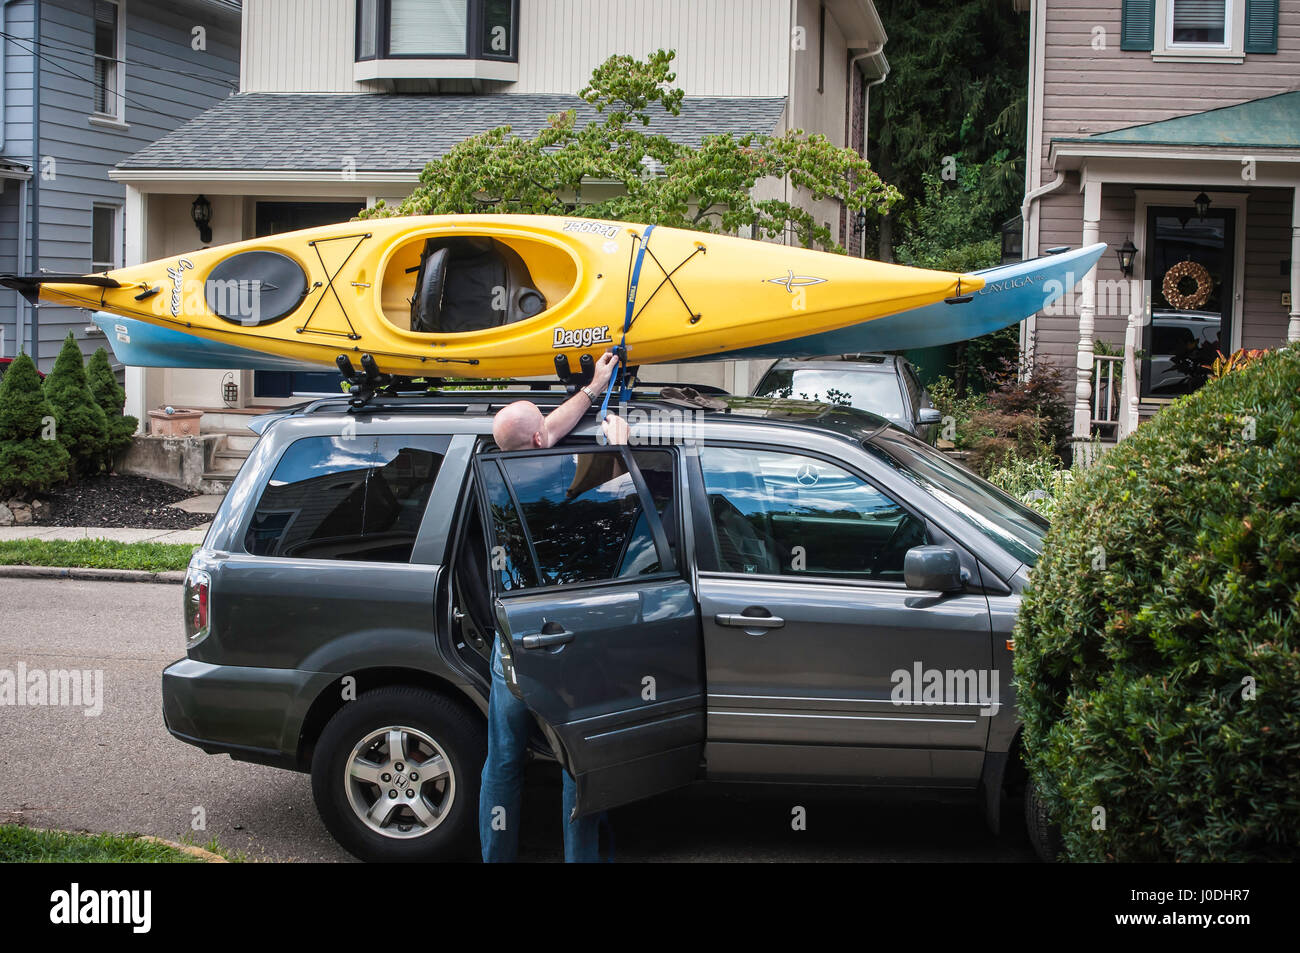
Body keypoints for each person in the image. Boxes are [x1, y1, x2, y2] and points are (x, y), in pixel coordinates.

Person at [479, 350, 627, 863]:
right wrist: (621, 449)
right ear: (541, 439)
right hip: (565, 640)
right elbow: (621, 502)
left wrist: (593, 388)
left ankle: (497, 856)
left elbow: (546, 432)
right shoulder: (569, 484)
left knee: (502, 760)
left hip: (512, 640)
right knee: (577, 761)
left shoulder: (499, 473)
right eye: (545, 427)